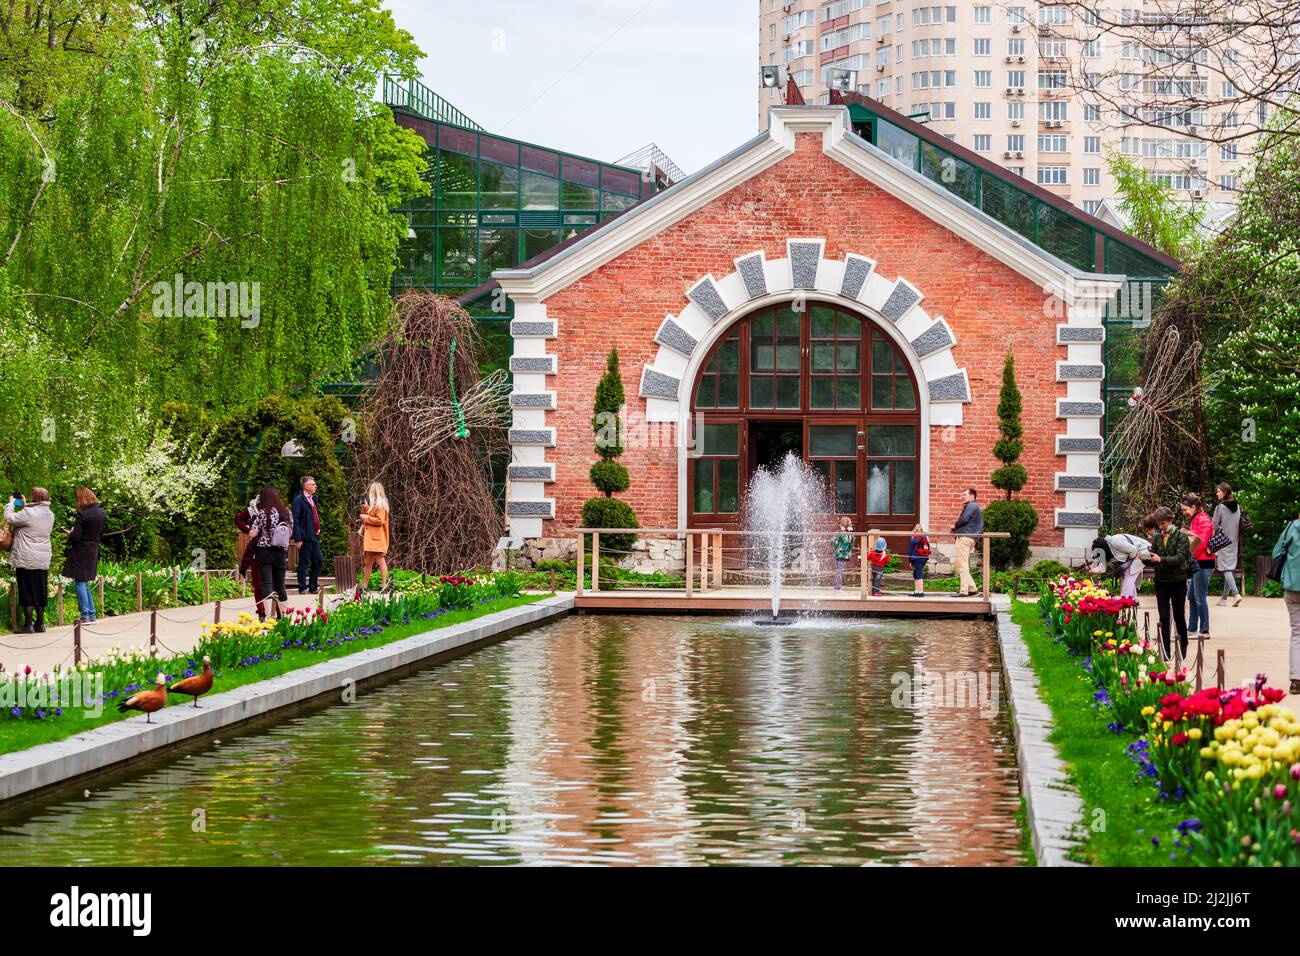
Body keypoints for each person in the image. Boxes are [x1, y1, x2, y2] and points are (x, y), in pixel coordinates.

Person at [4, 488, 55, 633]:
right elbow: (32, 519)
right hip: (42, 558)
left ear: (36, 497)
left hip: (26, 557)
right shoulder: (49, 514)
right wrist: (26, 506)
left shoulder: (29, 513)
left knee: (27, 590)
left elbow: (10, 518)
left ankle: (28, 625)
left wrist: (10, 504)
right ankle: (40, 624)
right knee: (40, 590)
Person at [1142, 508, 1190, 660]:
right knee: (1163, 617)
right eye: (1159, 523)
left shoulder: (1181, 536)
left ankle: (1183, 644)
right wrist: (1145, 559)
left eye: (1163, 523)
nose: (1161, 526)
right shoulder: (1157, 537)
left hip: (1178, 581)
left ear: (1170, 521)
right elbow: (1155, 557)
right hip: (1161, 581)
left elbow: (1180, 557)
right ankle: (1166, 650)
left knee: (1179, 616)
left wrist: (1161, 559)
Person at [248, 485, 293, 618]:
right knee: (280, 586)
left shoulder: (262, 513)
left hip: (264, 552)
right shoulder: (287, 512)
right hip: (280, 552)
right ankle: (285, 617)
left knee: (266, 585)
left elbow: (254, 533)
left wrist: (250, 530)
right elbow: (290, 532)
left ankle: (269, 617)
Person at [64, 487, 106, 624]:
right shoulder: (101, 513)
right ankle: (91, 614)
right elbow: (101, 533)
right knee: (85, 582)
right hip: (93, 548)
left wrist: (70, 534)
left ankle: (85, 615)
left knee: (80, 583)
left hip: (81, 550)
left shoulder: (82, 515)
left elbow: (76, 537)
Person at [1269, 510, 1300, 695]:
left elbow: (1276, 552)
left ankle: (1296, 680)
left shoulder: (1291, 527)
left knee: (1297, 633)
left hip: (1292, 587)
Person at [1182, 493, 1214, 639]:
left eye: (1185, 509)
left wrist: (1189, 554)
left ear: (1193, 507)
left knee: (1199, 596)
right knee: (1191, 595)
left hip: (1203, 563)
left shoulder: (1203, 520)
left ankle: (1204, 630)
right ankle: (1192, 628)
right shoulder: (1197, 519)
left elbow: (1201, 541)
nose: (1184, 513)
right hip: (1197, 562)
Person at [1090, 531, 1151, 602]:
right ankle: (1132, 600)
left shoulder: (1115, 541)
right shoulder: (1107, 550)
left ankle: (1125, 599)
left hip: (1145, 552)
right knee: (1128, 575)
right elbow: (1102, 568)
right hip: (1138, 554)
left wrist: (1129, 558)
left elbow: (1133, 550)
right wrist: (1092, 570)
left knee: (1128, 574)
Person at [234, 496, 267, 621]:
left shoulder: (278, 510)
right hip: (257, 551)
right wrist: (249, 531)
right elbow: (238, 519)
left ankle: (278, 613)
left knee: (274, 584)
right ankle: (262, 612)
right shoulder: (254, 508)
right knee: (258, 584)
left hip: (273, 552)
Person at [1212, 482, 1243, 607]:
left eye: (1219, 491)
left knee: (1225, 568)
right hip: (1234, 540)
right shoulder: (1238, 506)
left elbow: (1213, 525)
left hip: (1223, 540)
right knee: (1228, 567)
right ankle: (1224, 599)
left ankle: (1236, 594)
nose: (1217, 493)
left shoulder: (1220, 508)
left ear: (1224, 493)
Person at [291, 475, 323, 594]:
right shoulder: (298, 500)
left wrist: (317, 528)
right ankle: (302, 587)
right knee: (304, 562)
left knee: (318, 559)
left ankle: (313, 586)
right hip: (304, 537)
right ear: (306, 486)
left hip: (314, 535)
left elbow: (313, 516)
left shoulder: (313, 499)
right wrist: (298, 538)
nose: (315, 486)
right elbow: (296, 519)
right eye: (313, 484)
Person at [359, 481, 390, 592]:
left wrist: (365, 518)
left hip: (377, 539)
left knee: (380, 561)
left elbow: (380, 521)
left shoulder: (380, 504)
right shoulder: (376, 504)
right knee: (368, 563)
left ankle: (383, 585)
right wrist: (366, 508)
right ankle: (364, 586)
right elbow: (372, 516)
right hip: (372, 539)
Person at [951, 488, 982, 597]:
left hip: (965, 537)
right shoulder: (973, 506)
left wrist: (955, 526)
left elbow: (965, 518)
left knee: (962, 564)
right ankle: (972, 589)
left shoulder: (972, 506)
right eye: (962, 494)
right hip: (970, 536)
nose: (962, 496)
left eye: (964, 494)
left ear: (972, 496)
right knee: (960, 563)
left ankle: (964, 591)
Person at [831, 517, 855, 591]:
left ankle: (836, 586)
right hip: (845, 554)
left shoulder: (838, 533)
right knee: (840, 570)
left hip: (838, 553)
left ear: (841, 524)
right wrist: (848, 549)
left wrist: (837, 547)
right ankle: (837, 587)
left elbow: (833, 543)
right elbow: (851, 545)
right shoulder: (850, 535)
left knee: (838, 570)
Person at [908, 524, 930, 597]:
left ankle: (920, 592)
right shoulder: (925, 538)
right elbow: (928, 547)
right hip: (924, 558)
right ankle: (916, 591)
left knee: (919, 574)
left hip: (917, 558)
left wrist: (910, 561)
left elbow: (910, 551)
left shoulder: (914, 539)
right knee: (915, 573)